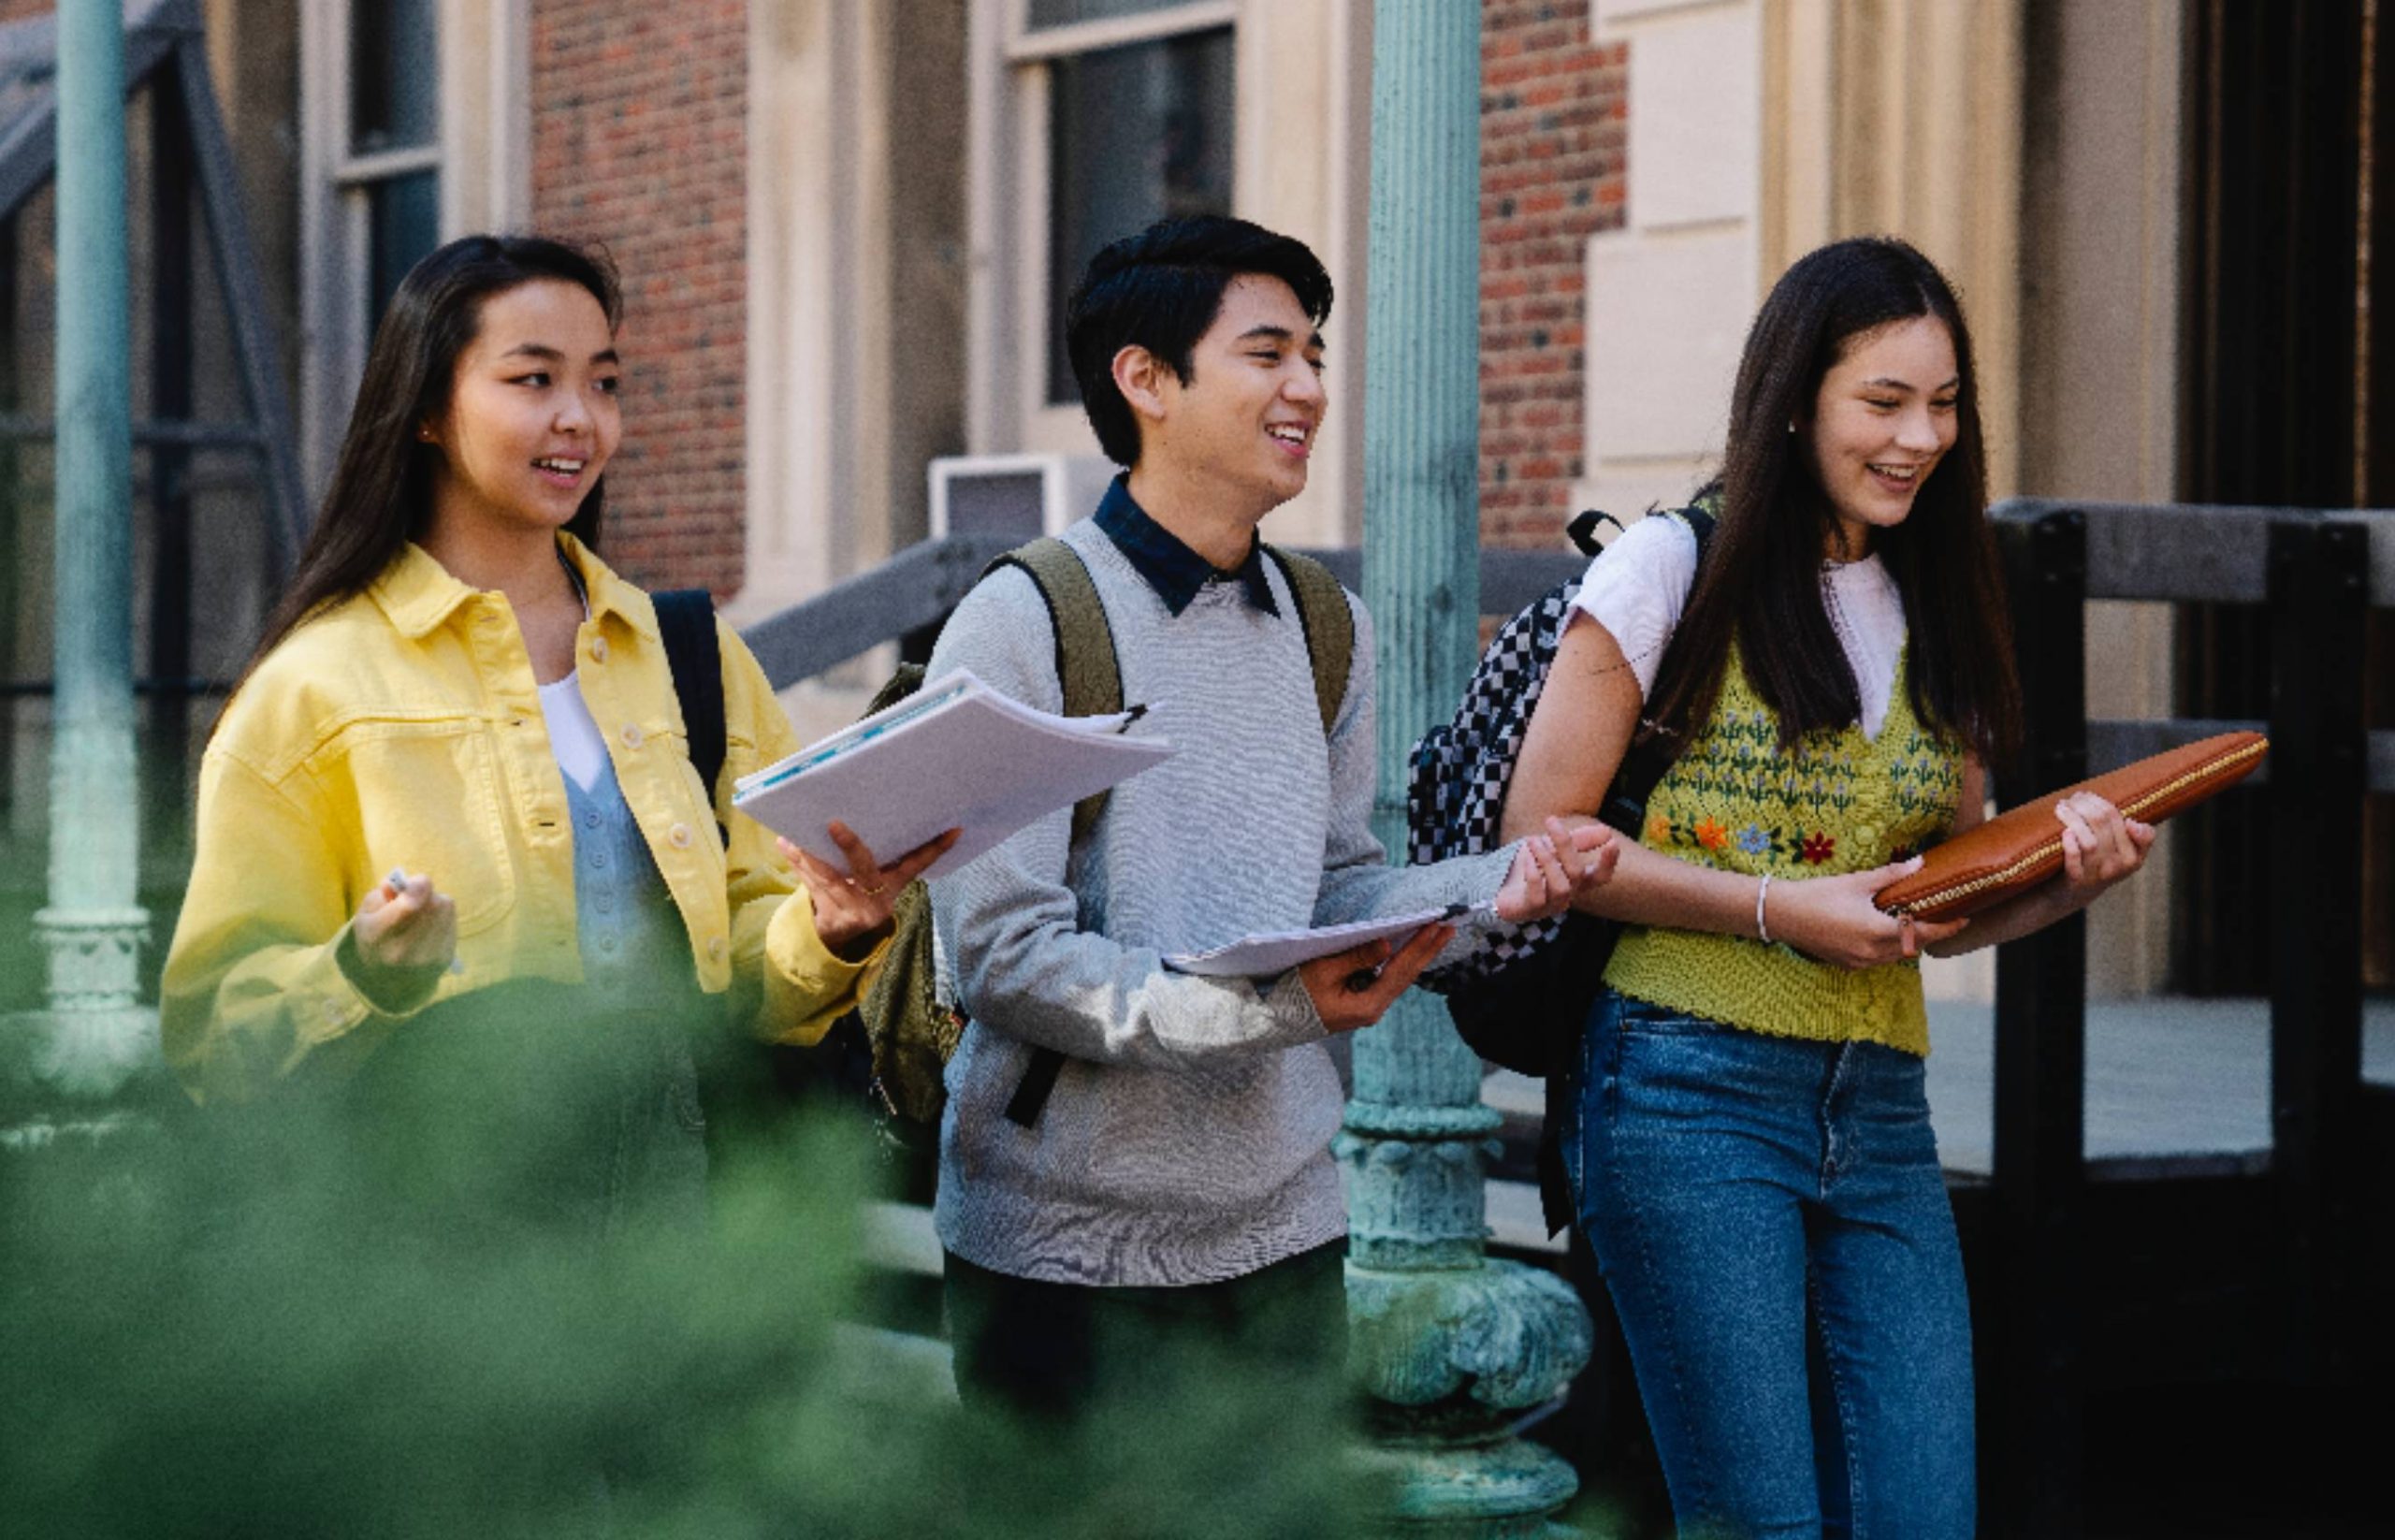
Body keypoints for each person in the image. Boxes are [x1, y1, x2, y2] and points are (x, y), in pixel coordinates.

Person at [1501, 236, 2156, 1538]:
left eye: (1947, 402)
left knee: (1923, 1513)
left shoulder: (1946, 591)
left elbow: (1941, 893)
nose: (1922, 437)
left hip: (1882, 1106)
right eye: (1886, 402)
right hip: (1683, 1092)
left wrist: (2068, 879)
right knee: (1762, 1524)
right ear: (1797, 398)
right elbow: (1545, 836)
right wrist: (1777, 908)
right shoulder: (1668, 570)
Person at [923, 215, 1616, 1420]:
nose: (1307, 387)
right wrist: (1270, 1008)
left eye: (1314, 353)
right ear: (1145, 379)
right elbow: (1003, 958)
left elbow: (1338, 891)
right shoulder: (1020, 621)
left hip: (1288, 1224)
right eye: (1267, 353)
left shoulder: (1324, 622)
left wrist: (1495, 888)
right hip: (1060, 1246)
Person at [160, 234, 954, 1240]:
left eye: (604, 382)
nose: (580, 418)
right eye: (533, 379)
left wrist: (836, 925)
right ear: (426, 412)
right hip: (434, 1234)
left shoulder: (690, 655)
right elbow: (215, 1034)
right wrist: (360, 971)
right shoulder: (315, 687)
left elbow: (746, 977)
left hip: (685, 1213)